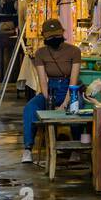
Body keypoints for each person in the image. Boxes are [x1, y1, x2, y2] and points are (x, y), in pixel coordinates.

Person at [21, 18, 82, 163]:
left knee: (76, 109)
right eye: (51, 36)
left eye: (56, 35)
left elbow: (73, 82)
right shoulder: (41, 53)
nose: (54, 38)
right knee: (30, 108)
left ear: (62, 33)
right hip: (50, 88)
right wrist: (49, 101)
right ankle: (28, 148)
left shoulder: (74, 51)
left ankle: (76, 149)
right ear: (45, 37)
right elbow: (43, 80)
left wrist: (64, 104)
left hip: (70, 88)